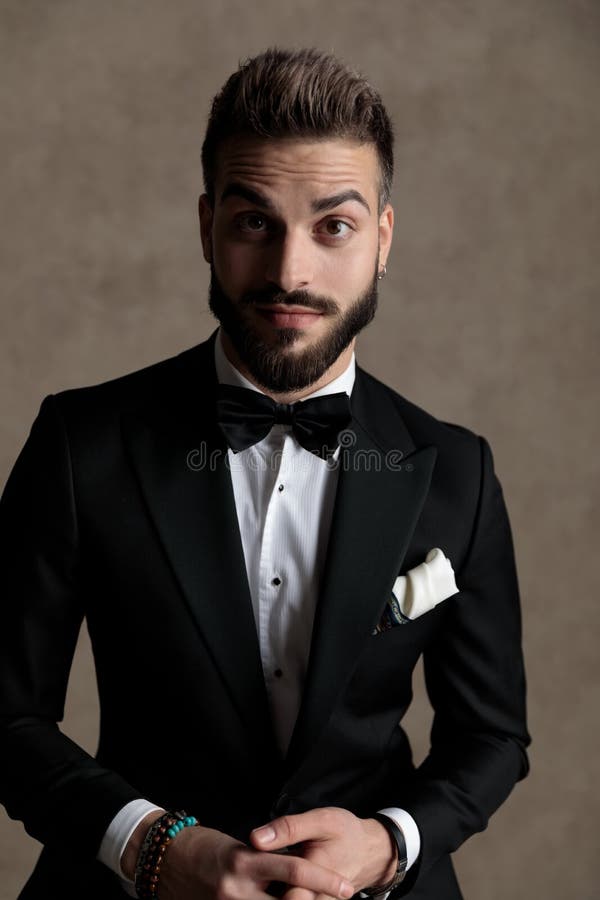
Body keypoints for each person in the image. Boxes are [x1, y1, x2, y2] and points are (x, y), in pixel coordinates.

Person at [0, 48, 530, 900]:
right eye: (254, 222)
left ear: (383, 239)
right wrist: (151, 847)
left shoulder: (458, 471)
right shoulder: (80, 442)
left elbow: (493, 738)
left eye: (334, 227)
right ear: (206, 226)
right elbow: (6, 714)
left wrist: (387, 845)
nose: (290, 273)